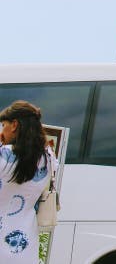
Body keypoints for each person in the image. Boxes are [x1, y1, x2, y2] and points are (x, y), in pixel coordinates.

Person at [0, 101, 53, 263]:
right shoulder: (48, 158)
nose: (2, 131)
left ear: (14, 125)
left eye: (3, 125)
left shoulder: (4, 155)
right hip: (24, 247)